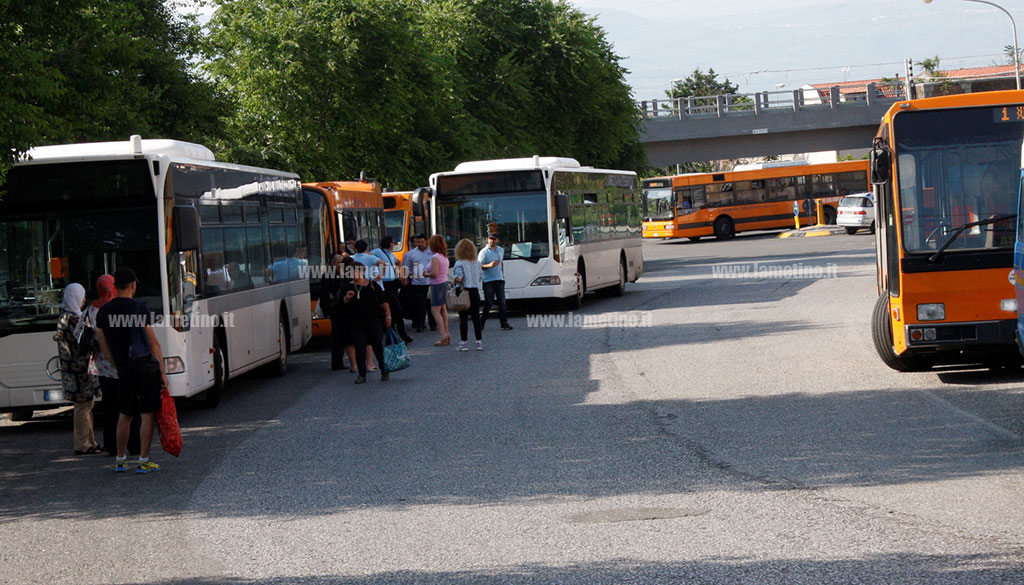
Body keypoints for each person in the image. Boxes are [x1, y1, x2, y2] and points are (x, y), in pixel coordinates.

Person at [95, 267, 167, 474]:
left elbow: (104, 345)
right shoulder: (140, 308)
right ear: (133, 285)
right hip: (145, 369)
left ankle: (120, 459)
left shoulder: (104, 312)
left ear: (115, 286)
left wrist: (116, 364)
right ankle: (143, 460)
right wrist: (162, 372)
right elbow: (153, 343)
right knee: (146, 415)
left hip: (123, 370)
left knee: (124, 415)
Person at [87, 275, 140, 456]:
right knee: (130, 407)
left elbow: (81, 334)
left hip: (103, 367)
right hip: (124, 365)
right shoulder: (118, 308)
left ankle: (112, 446)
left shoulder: (92, 310)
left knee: (110, 409)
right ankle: (134, 444)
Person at [54, 283, 102, 455]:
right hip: (79, 370)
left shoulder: (63, 317)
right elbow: (87, 340)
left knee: (86, 405)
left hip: (71, 369)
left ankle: (90, 441)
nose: (83, 300)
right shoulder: (74, 319)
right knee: (83, 407)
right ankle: (82, 444)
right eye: (81, 296)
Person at [340, 264, 391, 383]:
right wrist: (347, 298)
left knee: (377, 345)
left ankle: (384, 370)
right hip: (356, 321)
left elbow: (384, 301)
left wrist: (388, 316)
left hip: (373, 320)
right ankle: (361, 374)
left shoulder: (372, 285)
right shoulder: (347, 287)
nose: (354, 275)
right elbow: (341, 304)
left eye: (357, 272)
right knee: (360, 346)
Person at [373, 235, 413, 343]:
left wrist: (399, 272)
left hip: (393, 283)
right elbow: (368, 256)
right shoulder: (377, 252)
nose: (394, 244)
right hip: (384, 284)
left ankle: (400, 334)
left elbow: (398, 262)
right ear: (390, 243)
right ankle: (395, 334)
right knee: (393, 309)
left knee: (397, 310)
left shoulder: (391, 254)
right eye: (393, 242)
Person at [452, 239, 484, 351]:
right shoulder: (477, 263)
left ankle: (464, 343)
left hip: (463, 291)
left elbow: (460, 278)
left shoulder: (459, 263)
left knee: (463, 318)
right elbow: (480, 277)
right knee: (476, 317)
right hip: (474, 291)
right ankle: (479, 342)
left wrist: (454, 280)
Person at [478, 233, 513, 331]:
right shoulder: (483, 252)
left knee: (502, 302)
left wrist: (502, 274)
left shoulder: (500, 250)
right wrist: (489, 265)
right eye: (490, 239)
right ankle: (481, 323)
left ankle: (504, 323)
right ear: (487, 239)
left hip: (499, 279)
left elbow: (501, 262)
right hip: (488, 280)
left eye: (494, 239)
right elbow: (479, 266)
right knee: (489, 303)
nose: (492, 240)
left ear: (497, 240)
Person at [401, 234, 435, 333]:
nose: (420, 244)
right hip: (417, 283)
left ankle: (433, 324)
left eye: (422, 242)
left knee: (431, 305)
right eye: (418, 242)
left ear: (426, 241)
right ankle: (420, 325)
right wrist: (404, 279)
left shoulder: (432, 252)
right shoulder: (410, 254)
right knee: (420, 305)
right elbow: (405, 268)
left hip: (431, 282)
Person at [422, 234, 451, 346]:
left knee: (435, 310)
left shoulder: (435, 257)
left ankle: (442, 335)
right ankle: (447, 333)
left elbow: (434, 273)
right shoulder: (444, 256)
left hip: (437, 284)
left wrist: (426, 274)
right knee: (443, 310)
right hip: (444, 282)